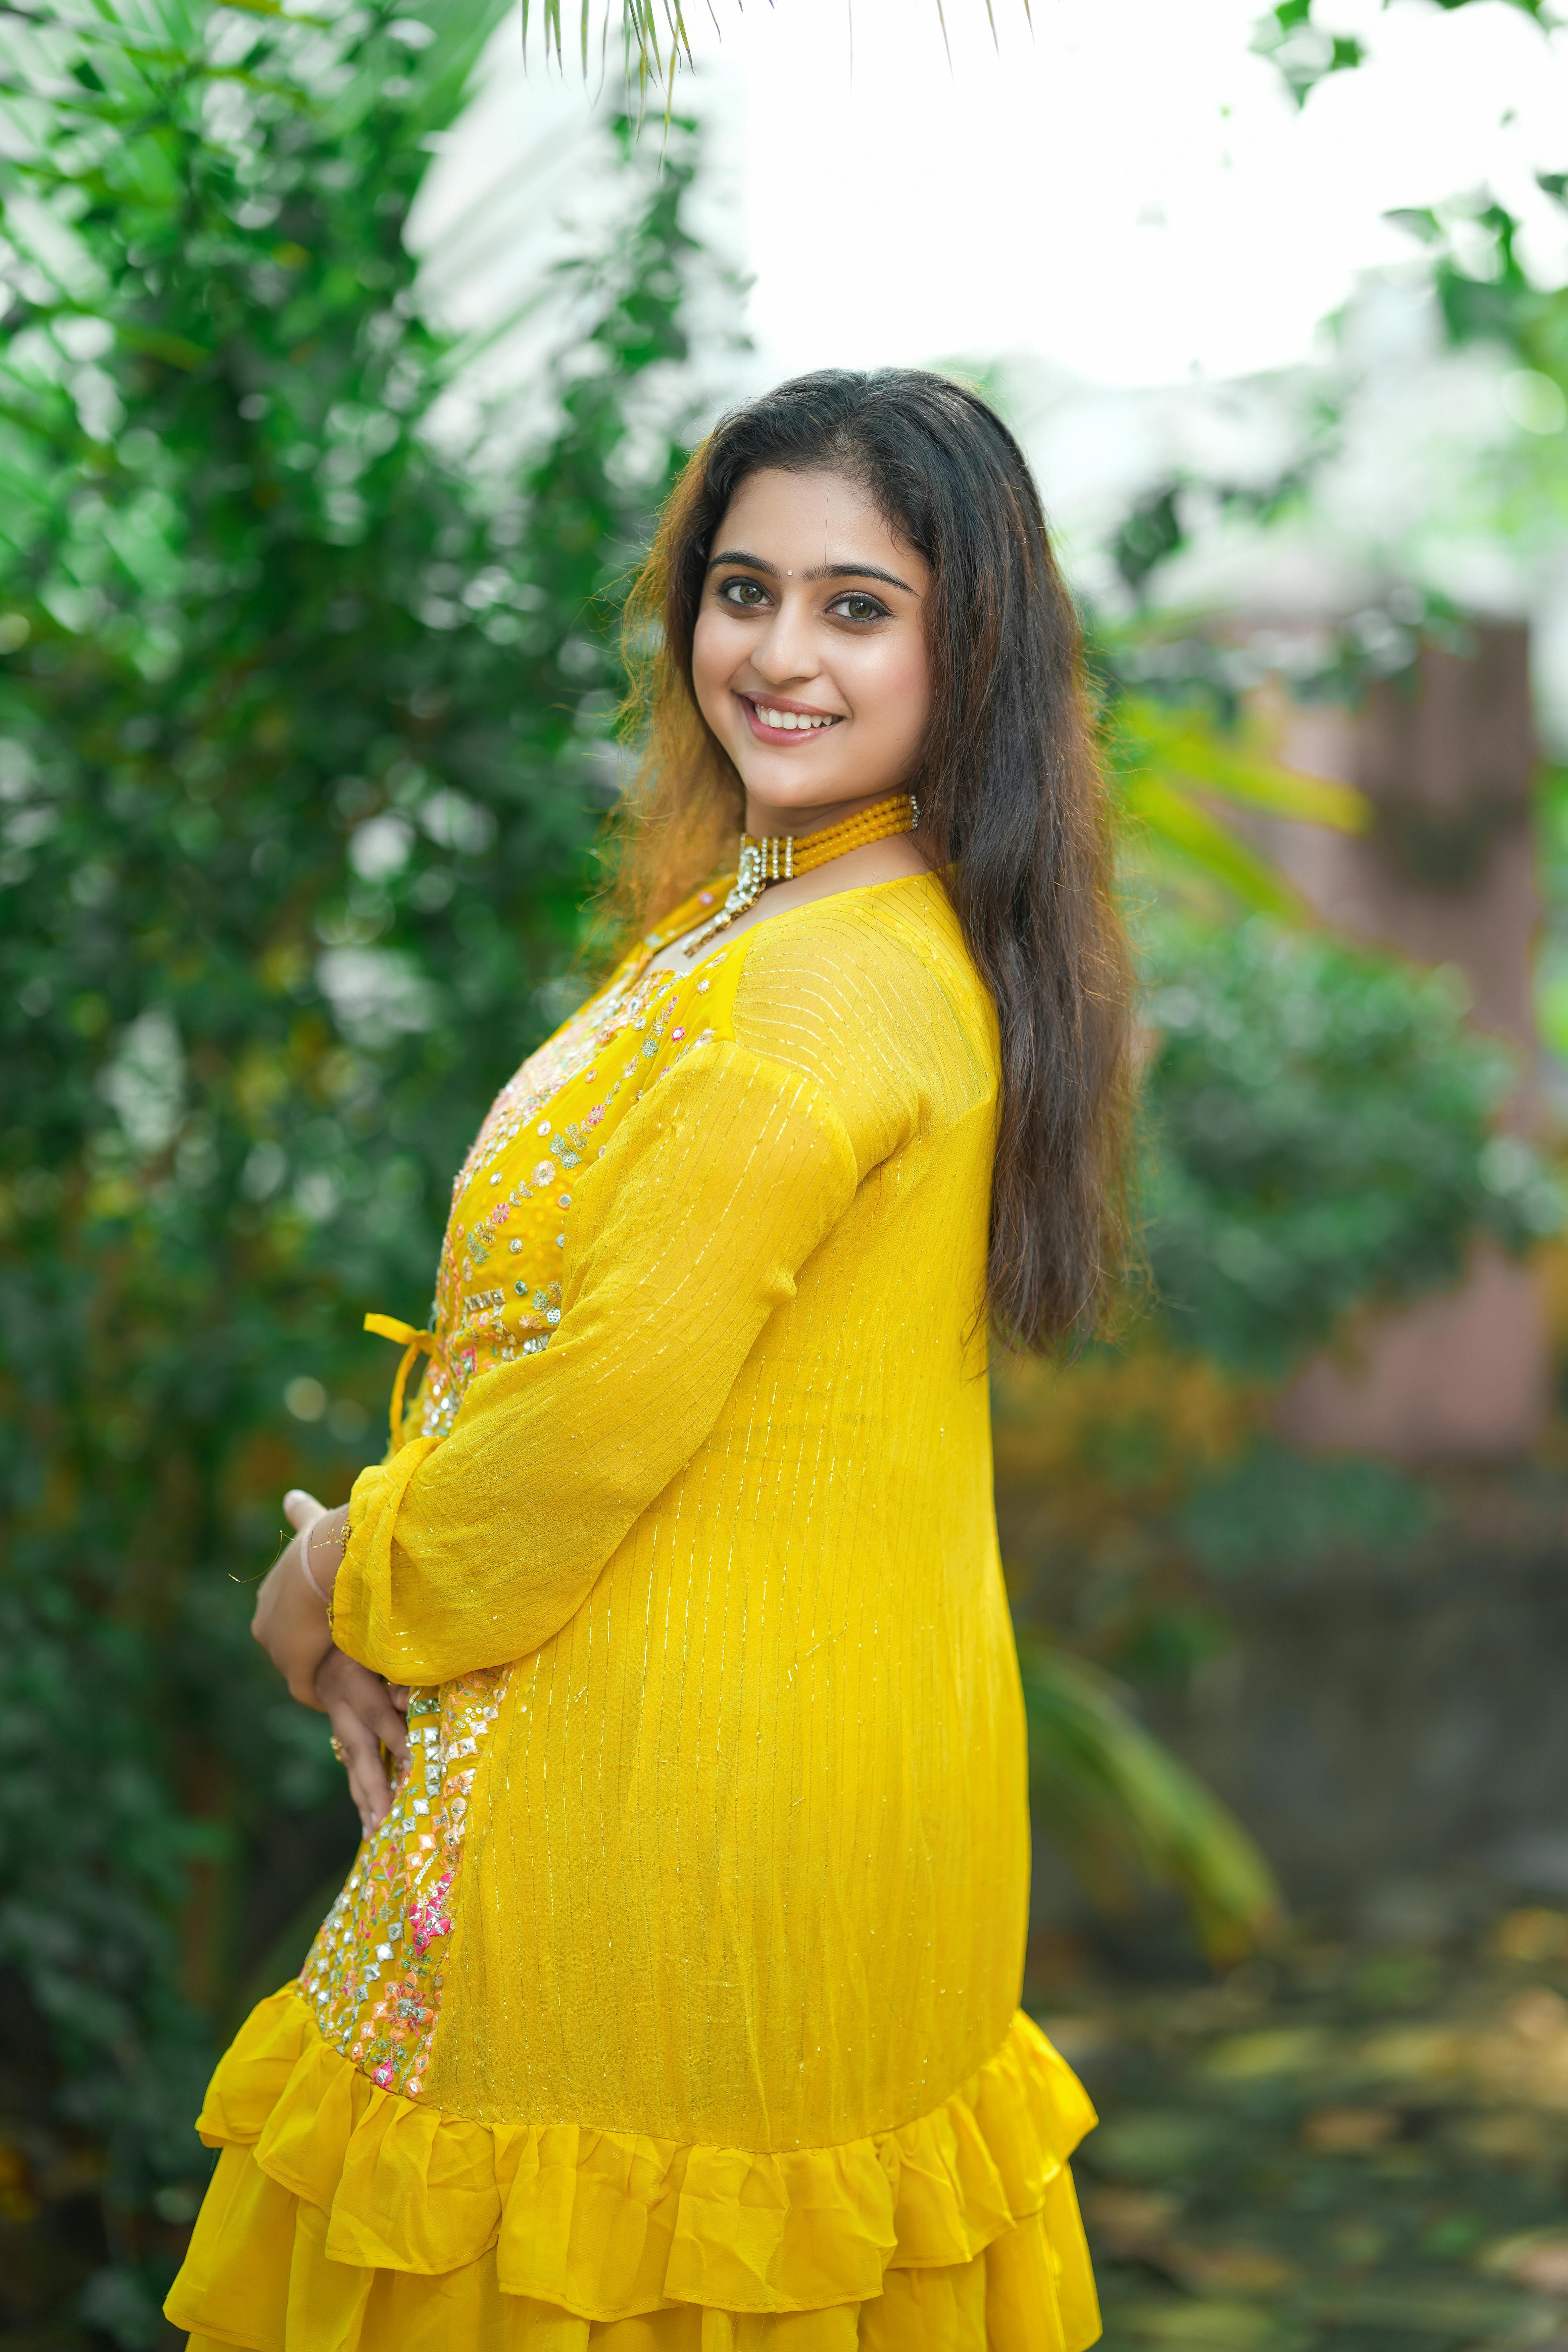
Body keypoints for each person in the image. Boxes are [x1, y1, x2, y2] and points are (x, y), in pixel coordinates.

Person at [166, 367, 1130, 2352]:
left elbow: (600, 1419)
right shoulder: (858, 922)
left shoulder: (814, 996)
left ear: (975, 644)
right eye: (744, 590)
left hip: (667, 1819)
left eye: (858, 607)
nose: (777, 654)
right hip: (819, 1790)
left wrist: (342, 1569)